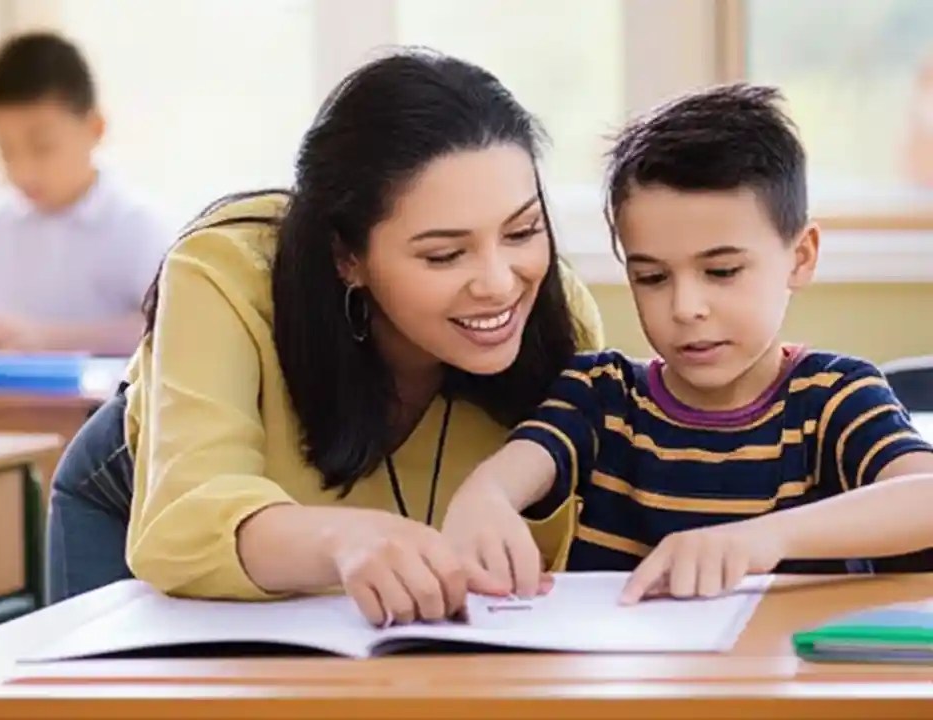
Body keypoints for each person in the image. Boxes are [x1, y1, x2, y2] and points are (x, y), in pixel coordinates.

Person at [46, 49, 607, 626]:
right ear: (347, 257)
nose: (498, 283)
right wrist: (344, 540)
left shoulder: (560, 322)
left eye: (523, 231)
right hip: (146, 501)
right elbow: (185, 519)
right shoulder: (223, 273)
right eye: (444, 254)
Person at [444, 83, 933, 605]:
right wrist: (484, 499)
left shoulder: (834, 397)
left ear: (801, 256)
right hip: (638, 684)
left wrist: (762, 538)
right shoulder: (600, 396)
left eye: (721, 271)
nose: (685, 307)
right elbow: (511, 474)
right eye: (652, 277)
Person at [0, 31, 171, 355]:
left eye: (42, 147)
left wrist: (47, 340)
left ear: (95, 128)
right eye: (5, 150)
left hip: (100, 405)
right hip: (0, 402)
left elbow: (166, 329)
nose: (23, 170)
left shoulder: (135, 223)